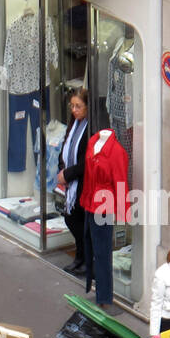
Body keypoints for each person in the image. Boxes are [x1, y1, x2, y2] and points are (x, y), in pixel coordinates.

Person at [77, 126, 129, 316]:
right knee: (89, 245)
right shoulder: (93, 142)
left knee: (102, 252)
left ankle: (104, 297)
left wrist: (123, 211)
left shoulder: (117, 153)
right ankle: (96, 289)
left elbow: (121, 181)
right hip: (90, 200)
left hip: (104, 206)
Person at [55, 87, 88, 276]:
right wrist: (62, 169)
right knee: (71, 219)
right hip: (71, 182)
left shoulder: (89, 128)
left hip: (82, 182)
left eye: (79, 106)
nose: (74, 110)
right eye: (72, 106)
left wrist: (67, 174)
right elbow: (65, 148)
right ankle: (80, 257)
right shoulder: (73, 125)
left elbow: (86, 162)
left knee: (77, 220)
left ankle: (83, 259)